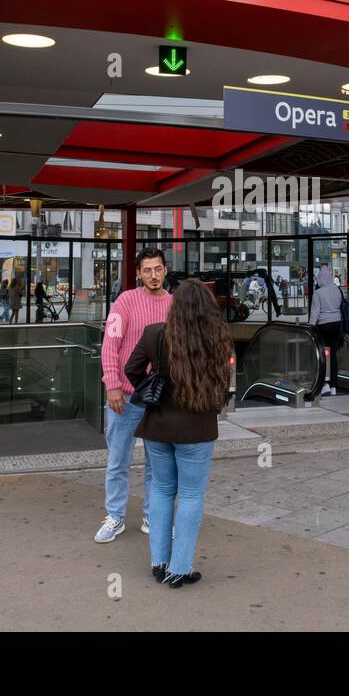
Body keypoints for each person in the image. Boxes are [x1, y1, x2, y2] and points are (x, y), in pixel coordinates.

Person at [125, 279, 230, 588]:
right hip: (197, 428)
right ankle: (180, 568)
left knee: (160, 490)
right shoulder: (216, 336)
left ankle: (159, 563)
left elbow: (131, 370)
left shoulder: (155, 333)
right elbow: (223, 381)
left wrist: (155, 384)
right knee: (191, 495)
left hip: (157, 426)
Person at [95, 248, 172, 544]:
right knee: (118, 460)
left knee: (158, 462)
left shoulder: (173, 304)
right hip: (124, 398)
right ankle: (115, 516)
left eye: (158, 269)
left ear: (165, 270)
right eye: (147, 270)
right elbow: (109, 345)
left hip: (159, 400)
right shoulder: (125, 302)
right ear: (138, 273)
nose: (153, 275)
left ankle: (152, 516)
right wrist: (112, 384)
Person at [308, 267, 345, 396]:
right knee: (333, 356)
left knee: (322, 356)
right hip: (336, 325)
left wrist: (310, 328)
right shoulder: (337, 290)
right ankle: (334, 386)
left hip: (323, 326)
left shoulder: (318, 293)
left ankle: (324, 384)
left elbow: (315, 313)